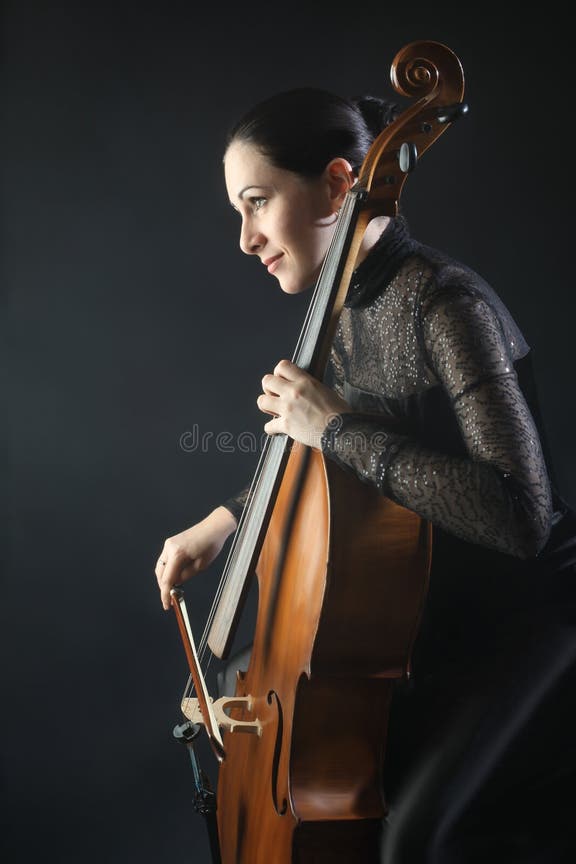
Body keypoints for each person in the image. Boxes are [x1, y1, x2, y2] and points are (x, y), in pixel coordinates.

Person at [155, 87, 576, 862]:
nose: (245, 238)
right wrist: (225, 521)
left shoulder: (446, 305)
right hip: (421, 617)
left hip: (520, 623)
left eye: (257, 203)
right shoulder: (343, 303)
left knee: (414, 840)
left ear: (341, 184)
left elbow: (521, 515)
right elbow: (336, 470)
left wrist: (336, 428)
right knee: (246, 682)